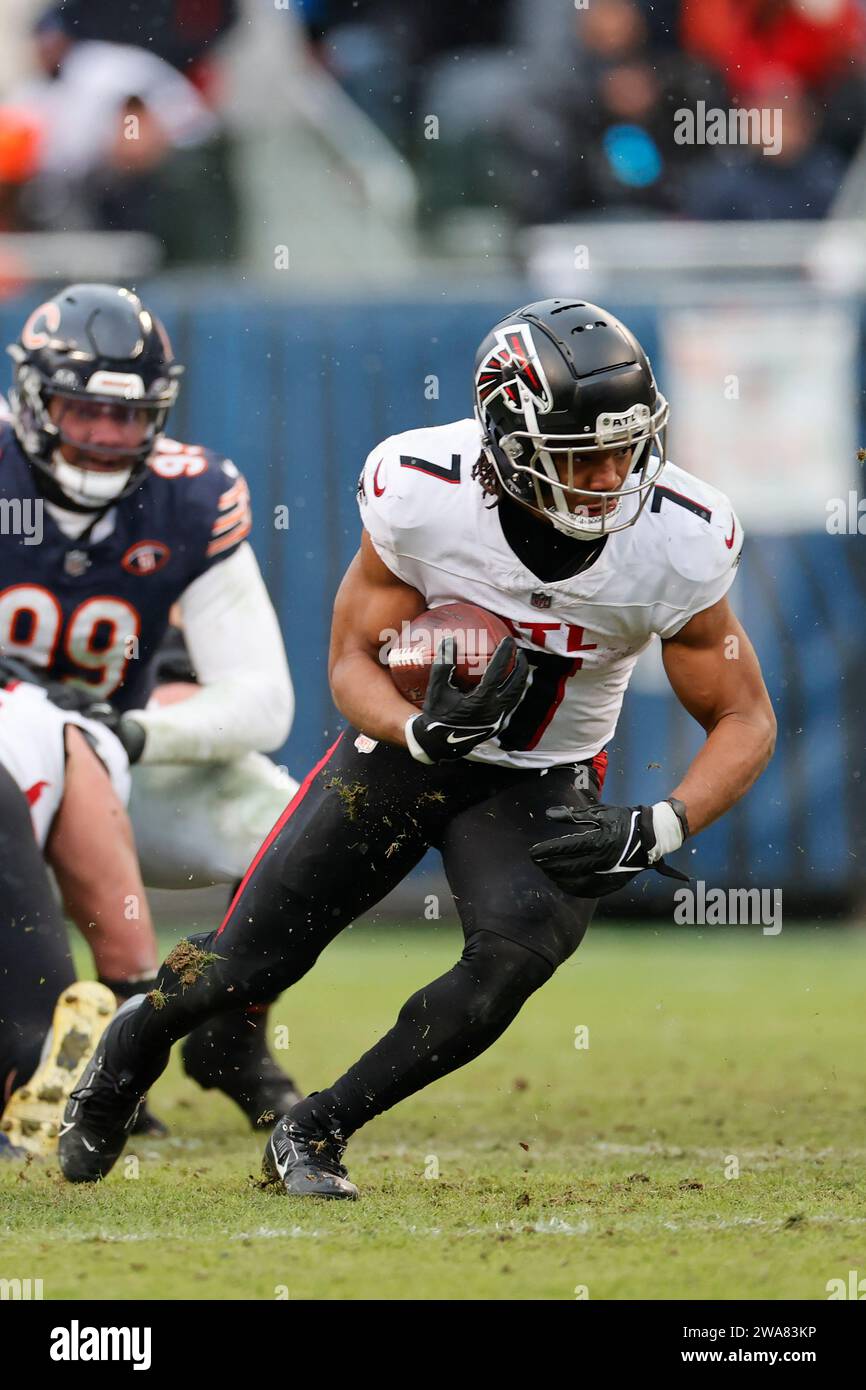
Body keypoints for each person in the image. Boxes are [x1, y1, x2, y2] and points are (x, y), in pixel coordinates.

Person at [56, 299, 776, 1196]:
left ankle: (315, 1131)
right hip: (402, 752)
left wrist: (661, 826)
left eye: (626, 448)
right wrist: (413, 728)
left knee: (508, 967)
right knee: (248, 961)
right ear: (510, 445)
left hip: (542, 777)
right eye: (582, 453)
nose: (610, 475)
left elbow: (745, 717)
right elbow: (351, 660)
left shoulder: (679, 537)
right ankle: (135, 1039)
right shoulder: (422, 489)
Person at [0, 282, 301, 1128]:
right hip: (8, 763)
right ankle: (72, 1050)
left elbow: (263, 703)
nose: (102, 435)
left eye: (125, 416)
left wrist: (130, 730)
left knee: (297, 834)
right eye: (79, 408)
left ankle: (227, 1034)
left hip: (112, 760)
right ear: (34, 400)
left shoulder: (187, 496)